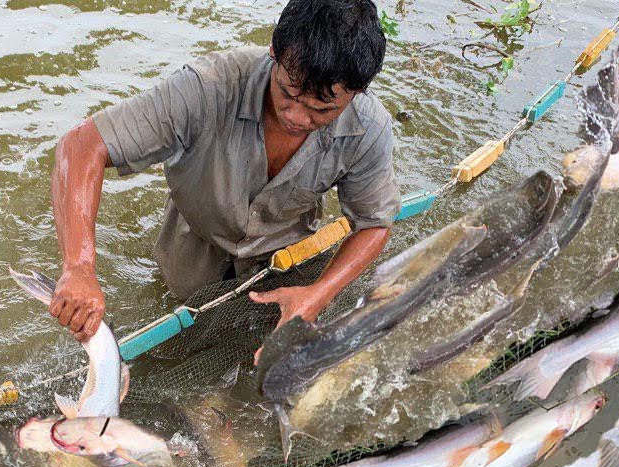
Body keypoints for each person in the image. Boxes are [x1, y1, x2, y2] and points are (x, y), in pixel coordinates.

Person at [48, 0, 399, 342]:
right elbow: (81, 146)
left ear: (356, 92)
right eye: (288, 94)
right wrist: (79, 266)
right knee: (173, 336)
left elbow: (373, 223)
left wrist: (319, 293)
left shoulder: (369, 128)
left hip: (283, 258)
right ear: (275, 49)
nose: (296, 117)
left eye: (320, 111)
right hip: (193, 244)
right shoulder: (207, 87)